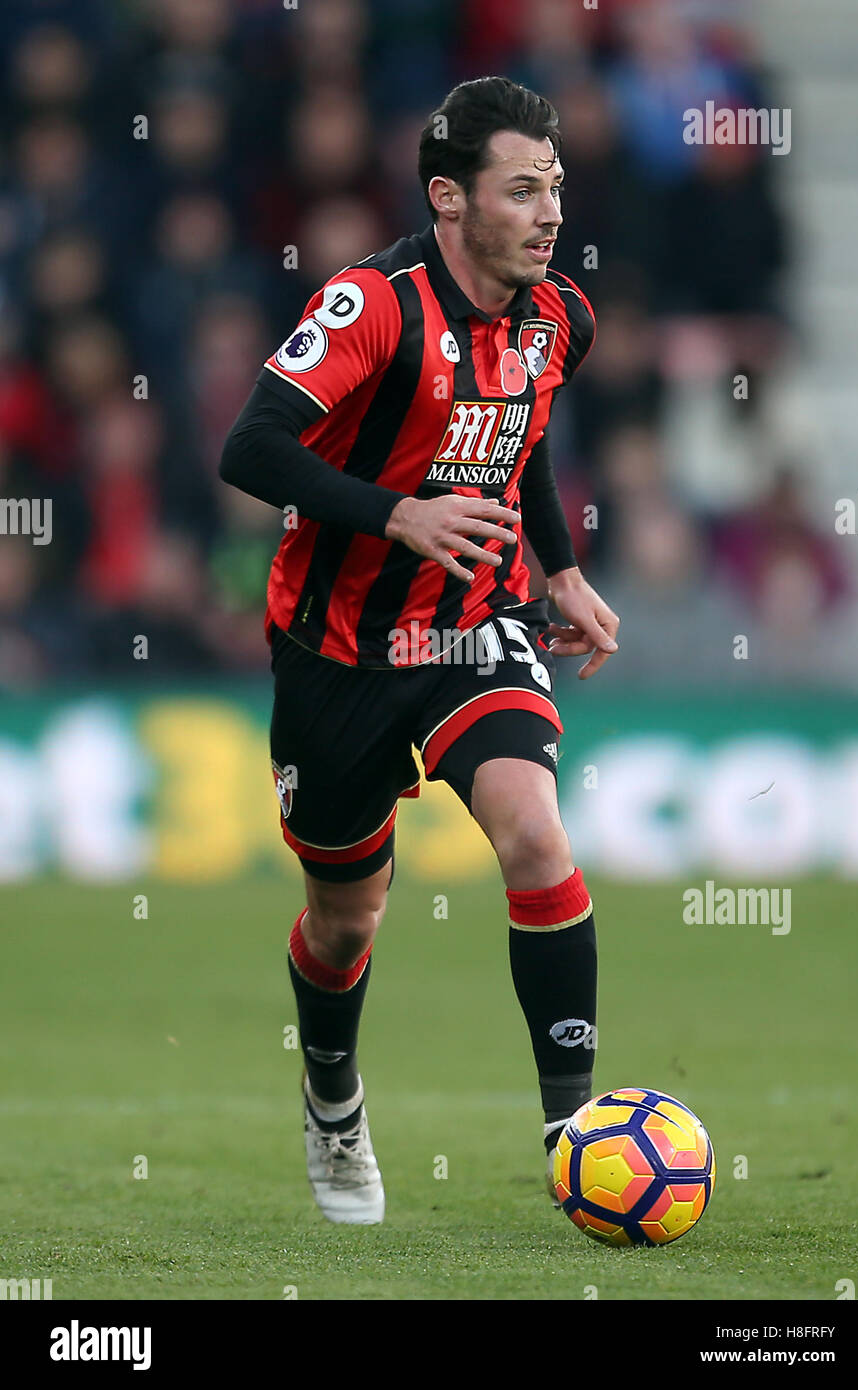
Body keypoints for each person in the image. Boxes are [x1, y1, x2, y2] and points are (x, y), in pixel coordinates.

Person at [219, 76, 620, 1224]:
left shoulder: (561, 318)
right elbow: (251, 446)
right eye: (522, 190)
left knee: (536, 835)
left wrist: (561, 569)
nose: (550, 212)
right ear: (451, 199)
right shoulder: (374, 306)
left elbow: (523, 430)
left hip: (472, 624)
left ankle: (575, 1136)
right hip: (337, 648)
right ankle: (333, 1097)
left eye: (555, 187)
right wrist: (396, 514)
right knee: (348, 918)